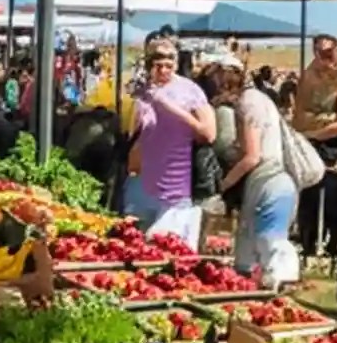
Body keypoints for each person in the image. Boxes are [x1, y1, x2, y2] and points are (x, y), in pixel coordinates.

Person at [208, 56, 299, 288]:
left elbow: (252, 156)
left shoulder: (249, 104)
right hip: (270, 181)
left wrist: (224, 184)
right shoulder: (257, 100)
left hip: (269, 181)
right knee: (252, 241)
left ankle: (280, 282)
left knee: (269, 240)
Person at [126, 38, 216, 247]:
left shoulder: (189, 90)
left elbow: (208, 133)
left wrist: (167, 105)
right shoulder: (143, 94)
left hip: (175, 188)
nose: (164, 70)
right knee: (137, 249)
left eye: (169, 65)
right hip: (142, 184)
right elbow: (139, 135)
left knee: (167, 248)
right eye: (158, 65)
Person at [293, 34, 337, 259]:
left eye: (331, 53)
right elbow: (298, 117)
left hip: (332, 143)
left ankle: (333, 242)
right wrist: (320, 125)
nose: (328, 59)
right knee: (308, 192)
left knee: (333, 192)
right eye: (323, 54)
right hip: (309, 142)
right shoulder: (307, 77)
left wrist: (317, 130)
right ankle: (308, 242)